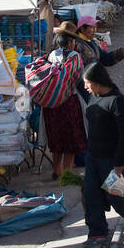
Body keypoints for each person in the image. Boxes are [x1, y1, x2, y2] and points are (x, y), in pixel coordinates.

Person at [80, 62, 124, 246]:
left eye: (87, 83)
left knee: (115, 196)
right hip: (93, 156)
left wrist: (119, 163)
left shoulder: (117, 100)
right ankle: (97, 232)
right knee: (89, 194)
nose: (85, 87)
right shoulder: (93, 96)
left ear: (97, 81)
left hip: (112, 160)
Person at [42, 31, 88, 183]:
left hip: (52, 104)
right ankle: (67, 173)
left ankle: (57, 171)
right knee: (71, 138)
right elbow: (80, 79)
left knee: (56, 138)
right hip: (69, 102)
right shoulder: (75, 56)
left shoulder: (51, 55)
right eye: (73, 42)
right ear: (69, 43)